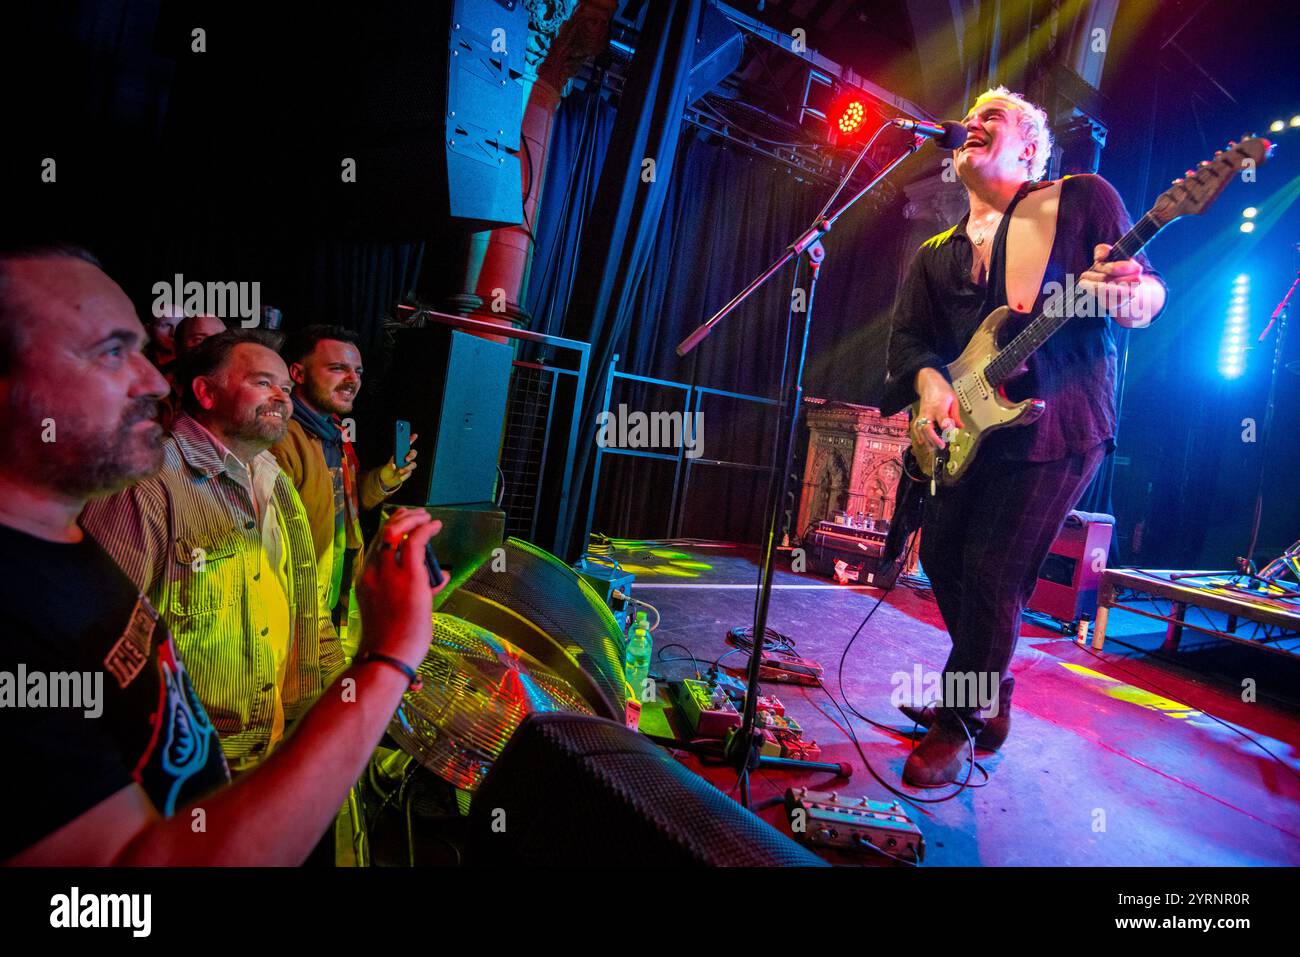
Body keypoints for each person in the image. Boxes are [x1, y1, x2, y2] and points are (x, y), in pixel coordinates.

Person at [0, 245, 446, 864]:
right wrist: (388, 657)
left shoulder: (263, 477)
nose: (156, 380)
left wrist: (314, 705)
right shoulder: (137, 496)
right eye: (110, 352)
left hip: (253, 761)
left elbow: (300, 602)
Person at [880, 87, 1167, 786]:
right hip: (972, 432)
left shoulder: (1080, 199)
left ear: (1032, 148)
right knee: (945, 559)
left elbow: (1147, 293)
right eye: (970, 117)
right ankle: (991, 687)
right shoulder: (935, 255)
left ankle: (959, 719)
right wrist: (931, 385)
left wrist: (1129, 294)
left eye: (994, 118)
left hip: (1062, 420)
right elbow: (909, 342)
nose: (973, 124)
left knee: (992, 572)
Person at [81, 329, 345, 772]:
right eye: (263, 383)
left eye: (285, 387)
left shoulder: (273, 478)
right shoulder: (147, 482)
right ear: (205, 391)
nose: (282, 398)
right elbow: (100, 645)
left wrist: (344, 693)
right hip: (184, 761)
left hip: (271, 743)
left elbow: (306, 604)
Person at [271, 325, 416, 658]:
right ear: (298, 372)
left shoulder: (332, 429)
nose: (353, 379)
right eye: (338, 368)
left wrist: (388, 475)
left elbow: (346, 503)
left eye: (358, 371)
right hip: (293, 601)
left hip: (330, 594)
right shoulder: (282, 437)